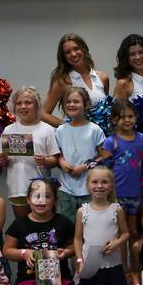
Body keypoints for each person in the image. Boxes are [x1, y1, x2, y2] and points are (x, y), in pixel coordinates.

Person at [3, 177, 75, 285]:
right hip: (28, 277)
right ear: (28, 199)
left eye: (47, 196)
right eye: (36, 196)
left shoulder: (63, 222)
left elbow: (74, 246)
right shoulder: (19, 224)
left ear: (55, 200)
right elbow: (7, 250)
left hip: (57, 278)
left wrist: (66, 252)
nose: (41, 201)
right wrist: (24, 253)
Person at [0, 87, 59, 220]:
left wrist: (45, 161)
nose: (23, 106)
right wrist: (2, 159)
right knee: (23, 225)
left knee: (43, 224)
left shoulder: (47, 130)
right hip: (17, 186)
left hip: (41, 187)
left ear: (36, 105)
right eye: (19, 103)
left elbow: (55, 159)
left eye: (28, 103)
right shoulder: (9, 130)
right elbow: (3, 160)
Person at [74, 167, 130, 285]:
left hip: (111, 263)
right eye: (95, 182)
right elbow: (78, 238)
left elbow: (125, 233)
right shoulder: (82, 211)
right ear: (88, 185)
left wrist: (116, 243)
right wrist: (79, 260)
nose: (99, 186)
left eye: (104, 182)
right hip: (90, 264)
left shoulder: (116, 210)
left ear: (111, 185)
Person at [54, 87, 107, 219]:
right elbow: (58, 154)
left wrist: (84, 167)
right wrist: (62, 162)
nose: (71, 104)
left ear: (86, 104)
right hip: (66, 189)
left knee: (89, 225)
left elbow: (104, 156)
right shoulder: (60, 130)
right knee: (68, 228)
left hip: (89, 188)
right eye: (68, 101)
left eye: (76, 101)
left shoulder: (95, 129)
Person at [100, 100, 143, 236]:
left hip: (136, 194)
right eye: (122, 117)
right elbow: (105, 172)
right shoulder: (110, 142)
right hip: (117, 195)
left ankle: (134, 257)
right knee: (119, 232)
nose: (127, 120)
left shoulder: (142, 138)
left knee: (134, 231)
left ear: (136, 117)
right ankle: (122, 258)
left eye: (130, 116)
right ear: (114, 119)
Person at [44, 33, 109, 125]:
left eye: (76, 49)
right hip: (76, 137)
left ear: (84, 49)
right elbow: (43, 113)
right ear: (64, 57)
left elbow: (106, 109)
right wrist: (67, 128)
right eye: (67, 52)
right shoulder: (63, 81)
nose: (73, 54)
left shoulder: (103, 77)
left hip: (102, 136)